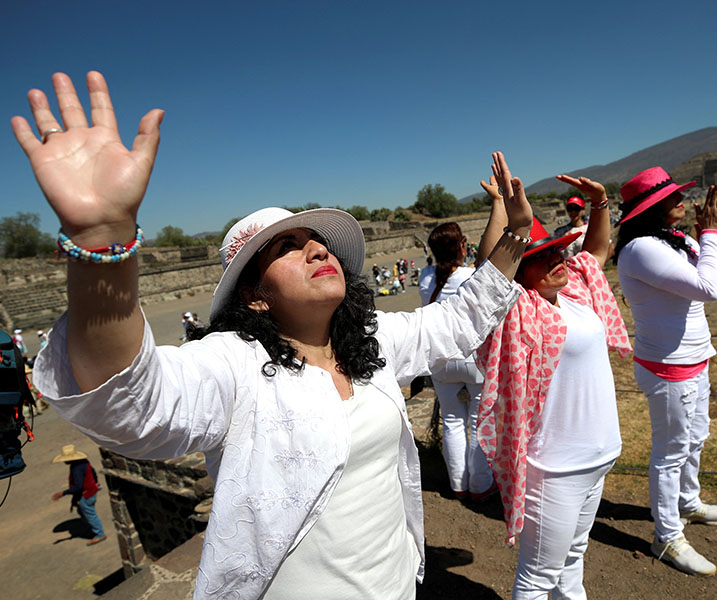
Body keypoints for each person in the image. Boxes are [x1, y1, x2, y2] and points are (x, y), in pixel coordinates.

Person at [14, 71, 533, 600]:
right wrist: (102, 240)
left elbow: (460, 318)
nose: (316, 249)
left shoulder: (370, 342)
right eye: (285, 246)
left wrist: (515, 231)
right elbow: (131, 401)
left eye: (315, 239)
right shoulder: (234, 366)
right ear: (255, 296)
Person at [475, 172, 632, 599]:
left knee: (574, 556)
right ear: (520, 269)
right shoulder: (518, 311)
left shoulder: (578, 293)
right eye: (543, 257)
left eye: (558, 252)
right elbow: (488, 276)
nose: (559, 261)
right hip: (555, 465)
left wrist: (600, 202)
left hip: (598, 454)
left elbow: (597, 250)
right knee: (538, 576)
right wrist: (502, 211)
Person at [614, 167, 717, 576]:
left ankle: (688, 502)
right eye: (671, 197)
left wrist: (709, 236)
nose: (682, 200)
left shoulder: (674, 240)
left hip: (696, 358)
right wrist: (711, 237)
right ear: (651, 208)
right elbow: (708, 289)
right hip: (669, 367)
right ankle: (667, 537)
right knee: (670, 452)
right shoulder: (641, 249)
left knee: (695, 438)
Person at [418, 222, 494, 501]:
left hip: (439, 357)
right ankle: (481, 484)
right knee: (478, 421)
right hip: (473, 357)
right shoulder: (472, 275)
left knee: (451, 419)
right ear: (462, 246)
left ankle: (458, 484)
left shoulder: (426, 276)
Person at [51, 444, 106, 545]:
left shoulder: (76, 469)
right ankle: (93, 528)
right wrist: (95, 481)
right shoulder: (84, 462)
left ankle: (100, 533)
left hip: (86, 494)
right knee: (83, 511)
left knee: (90, 515)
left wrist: (62, 493)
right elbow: (93, 472)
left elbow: (78, 487)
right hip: (91, 491)